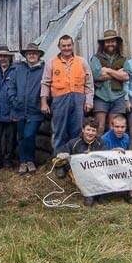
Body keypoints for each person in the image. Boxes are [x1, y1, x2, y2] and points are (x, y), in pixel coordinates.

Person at [41, 34, 94, 167]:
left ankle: (76, 163)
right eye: (63, 46)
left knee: (76, 131)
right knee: (59, 131)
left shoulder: (82, 61)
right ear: (59, 47)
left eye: (69, 45)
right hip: (59, 100)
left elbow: (89, 83)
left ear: (72, 46)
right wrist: (44, 102)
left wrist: (89, 101)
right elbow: (45, 83)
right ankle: (59, 163)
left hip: (78, 99)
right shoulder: (51, 62)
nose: (66, 48)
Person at [9, 43, 45, 175]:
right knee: (21, 136)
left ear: (39, 55)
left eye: (34, 53)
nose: (32, 55)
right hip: (19, 109)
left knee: (29, 135)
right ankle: (23, 162)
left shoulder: (43, 69)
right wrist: (13, 99)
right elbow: (11, 86)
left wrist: (43, 102)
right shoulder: (18, 69)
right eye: (29, 53)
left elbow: (47, 86)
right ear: (25, 55)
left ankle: (30, 160)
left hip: (34, 110)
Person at [90, 29, 129, 133]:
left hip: (118, 97)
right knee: (100, 127)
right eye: (107, 41)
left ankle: (113, 149)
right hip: (101, 96)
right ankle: (98, 148)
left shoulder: (123, 59)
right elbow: (96, 75)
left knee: (114, 128)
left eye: (112, 41)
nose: (110, 44)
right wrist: (117, 73)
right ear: (103, 44)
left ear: (116, 43)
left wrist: (108, 70)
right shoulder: (96, 58)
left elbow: (126, 76)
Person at [100, 114, 132, 205]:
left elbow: (129, 154)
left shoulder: (126, 137)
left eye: (122, 127)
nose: (119, 129)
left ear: (126, 127)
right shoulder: (104, 139)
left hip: (122, 165)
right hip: (108, 165)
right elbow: (100, 157)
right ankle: (104, 195)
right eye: (117, 127)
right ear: (112, 126)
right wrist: (112, 152)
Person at [65, 117, 105, 207]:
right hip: (79, 172)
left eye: (93, 130)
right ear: (83, 129)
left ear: (97, 132)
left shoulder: (100, 143)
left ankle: (98, 194)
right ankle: (89, 195)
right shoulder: (73, 143)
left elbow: (104, 157)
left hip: (95, 171)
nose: (90, 133)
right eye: (88, 130)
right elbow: (66, 157)